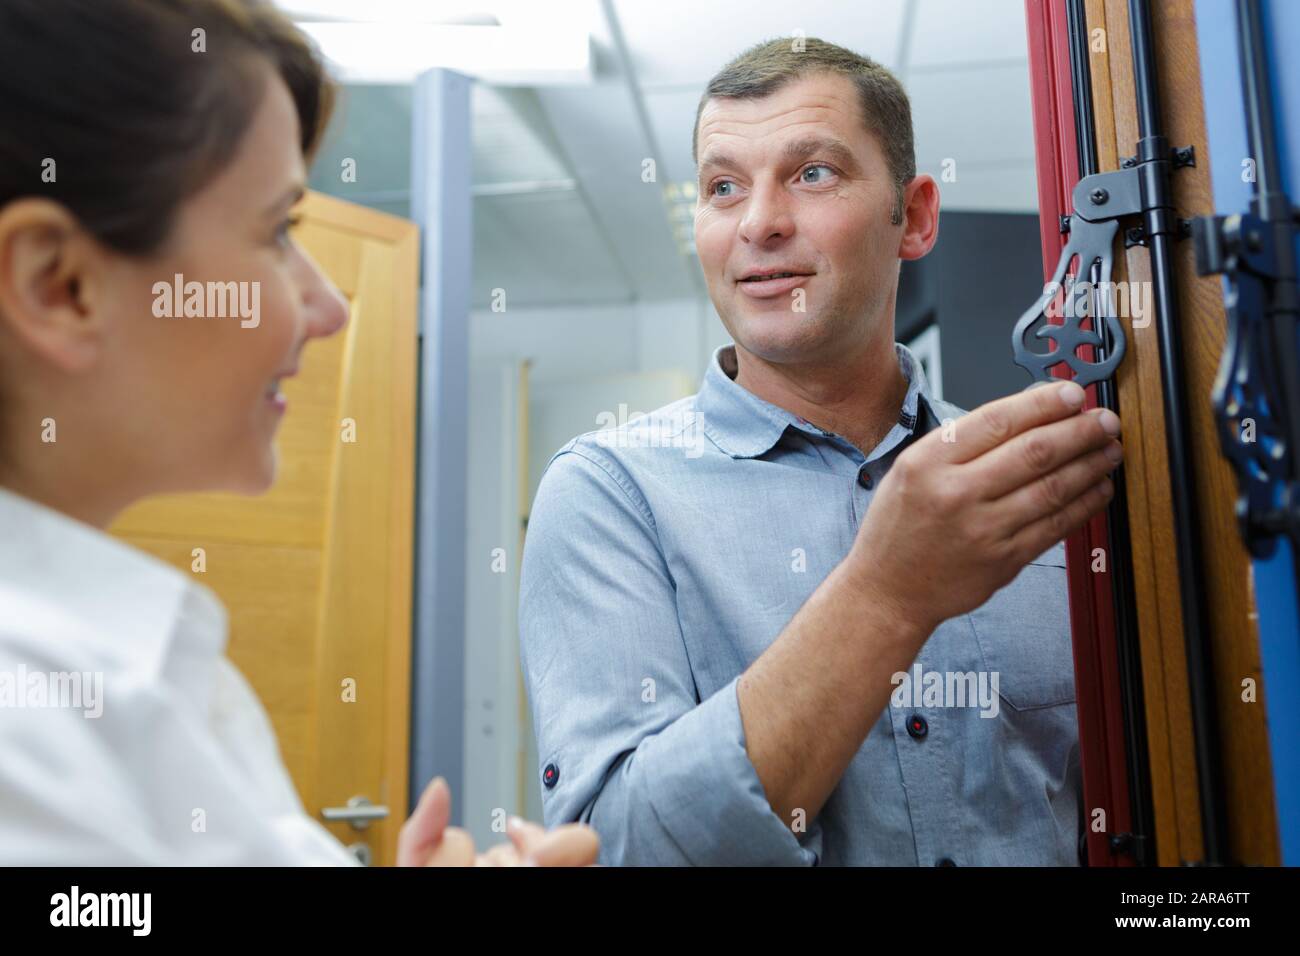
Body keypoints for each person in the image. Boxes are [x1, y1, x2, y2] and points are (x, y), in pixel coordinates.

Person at [0, 0, 596, 868]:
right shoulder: (32, 722)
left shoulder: (130, 662)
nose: (329, 305)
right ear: (61, 287)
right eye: (278, 229)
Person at [520, 38, 1124, 865]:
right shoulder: (607, 494)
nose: (759, 221)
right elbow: (614, 848)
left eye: (811, 174)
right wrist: (886, 595)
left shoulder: (1028, 482)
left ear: (912, 217)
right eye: (723, 186)